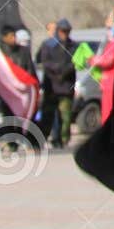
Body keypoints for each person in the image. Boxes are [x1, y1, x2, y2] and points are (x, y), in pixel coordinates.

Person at [37, 18, 79, 147]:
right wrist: (58, 70)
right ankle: (41, 140)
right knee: (48, 115)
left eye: (67, 31)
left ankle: (62, 140)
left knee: (65, 117)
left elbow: (76, 62)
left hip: (67, 86)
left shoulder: (73, 45)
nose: (64, 33)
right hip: (52, 86)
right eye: (62, 31)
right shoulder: (48, 45)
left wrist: (66, 70)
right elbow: (45, 62)